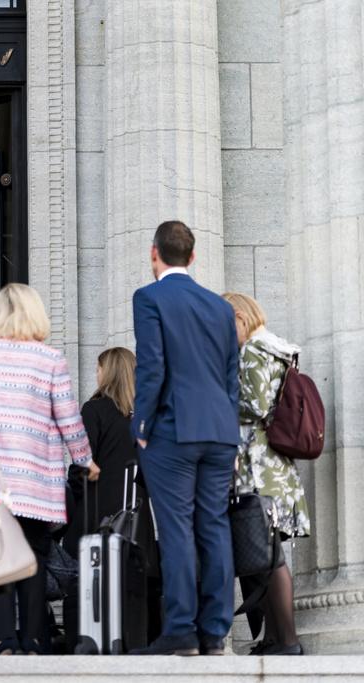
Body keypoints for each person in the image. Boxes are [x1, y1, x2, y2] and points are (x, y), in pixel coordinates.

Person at [0, 283, 99, 655]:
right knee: (33, 557)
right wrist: (85, 459)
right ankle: (31, 639)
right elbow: (68, 419)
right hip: (36, 479)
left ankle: (4, 638)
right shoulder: (49, 359)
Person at [129, 220, 240, 656]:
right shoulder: (220, 307)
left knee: (176, 528)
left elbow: (151, 366)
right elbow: (230, 378)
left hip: (174, 429)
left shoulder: (149, 297)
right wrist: (230, 431)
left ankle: (180, 629)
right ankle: (215, 632)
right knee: (214, 526)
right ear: (193, 257)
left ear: (153, 253)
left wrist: (141, 425)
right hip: (219, 432)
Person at [223, 292, 310, 656]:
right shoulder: (275, 350)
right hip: (272, 467)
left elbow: (256, 405)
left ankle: (287, 641)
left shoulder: (255, 351)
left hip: (260, 468)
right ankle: (275, 639)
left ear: (240, 317)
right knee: (265, 553)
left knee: (271, 556)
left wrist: (220, 400)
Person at [75, 347, 161, 642]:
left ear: (107, 372)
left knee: (98, 586)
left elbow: (83, 464)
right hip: (139, 515)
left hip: (101, 513)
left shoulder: (94, 410)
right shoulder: (147, 416)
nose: (96, 374)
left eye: (98, 369)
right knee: (137, 586)